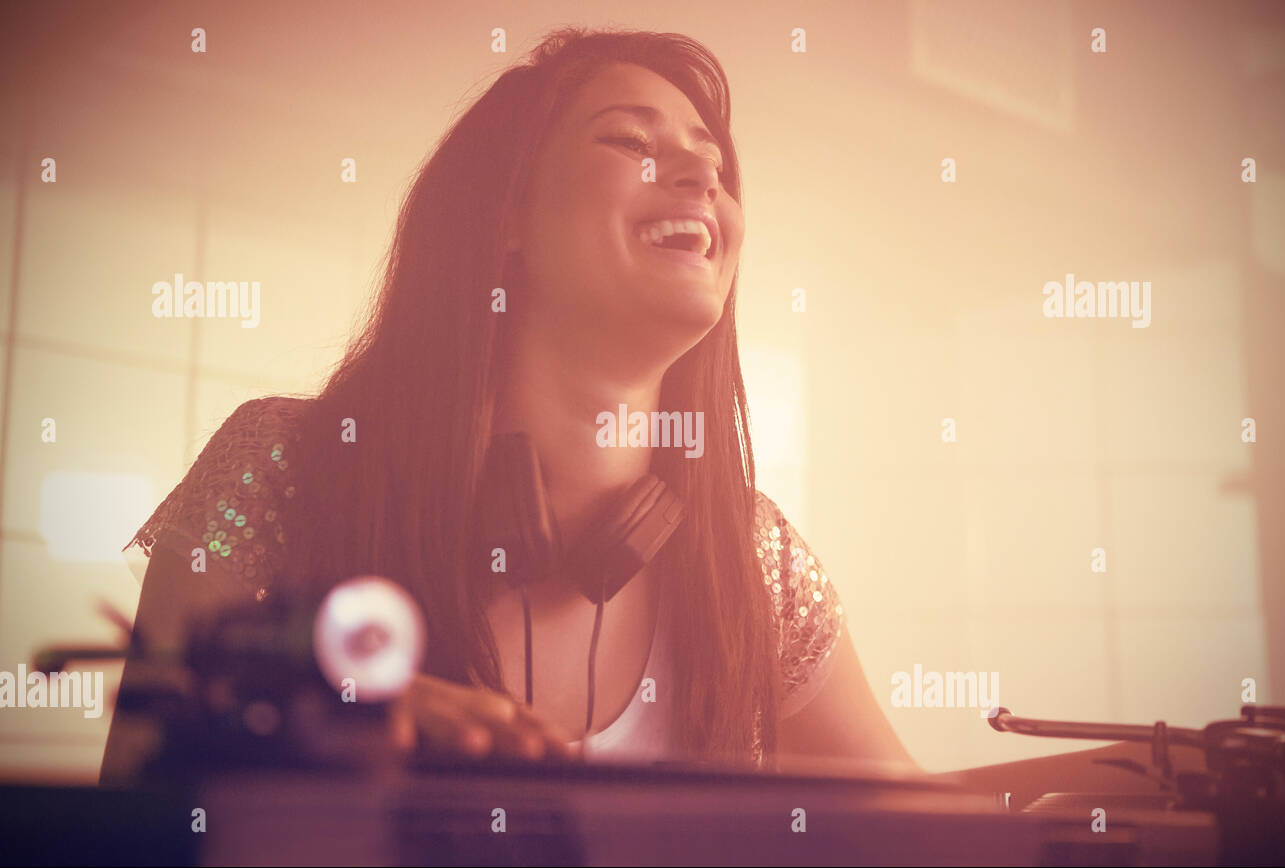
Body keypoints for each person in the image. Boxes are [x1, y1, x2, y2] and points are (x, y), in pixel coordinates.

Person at [100, 28, 916, 784]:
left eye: (715, 163)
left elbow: (923, 825)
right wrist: (314, 739)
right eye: (632, 141)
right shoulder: (285, 467)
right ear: (509, 214)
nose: (706, 177)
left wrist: (1045, 801)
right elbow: (129, 836)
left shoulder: (754, 560)